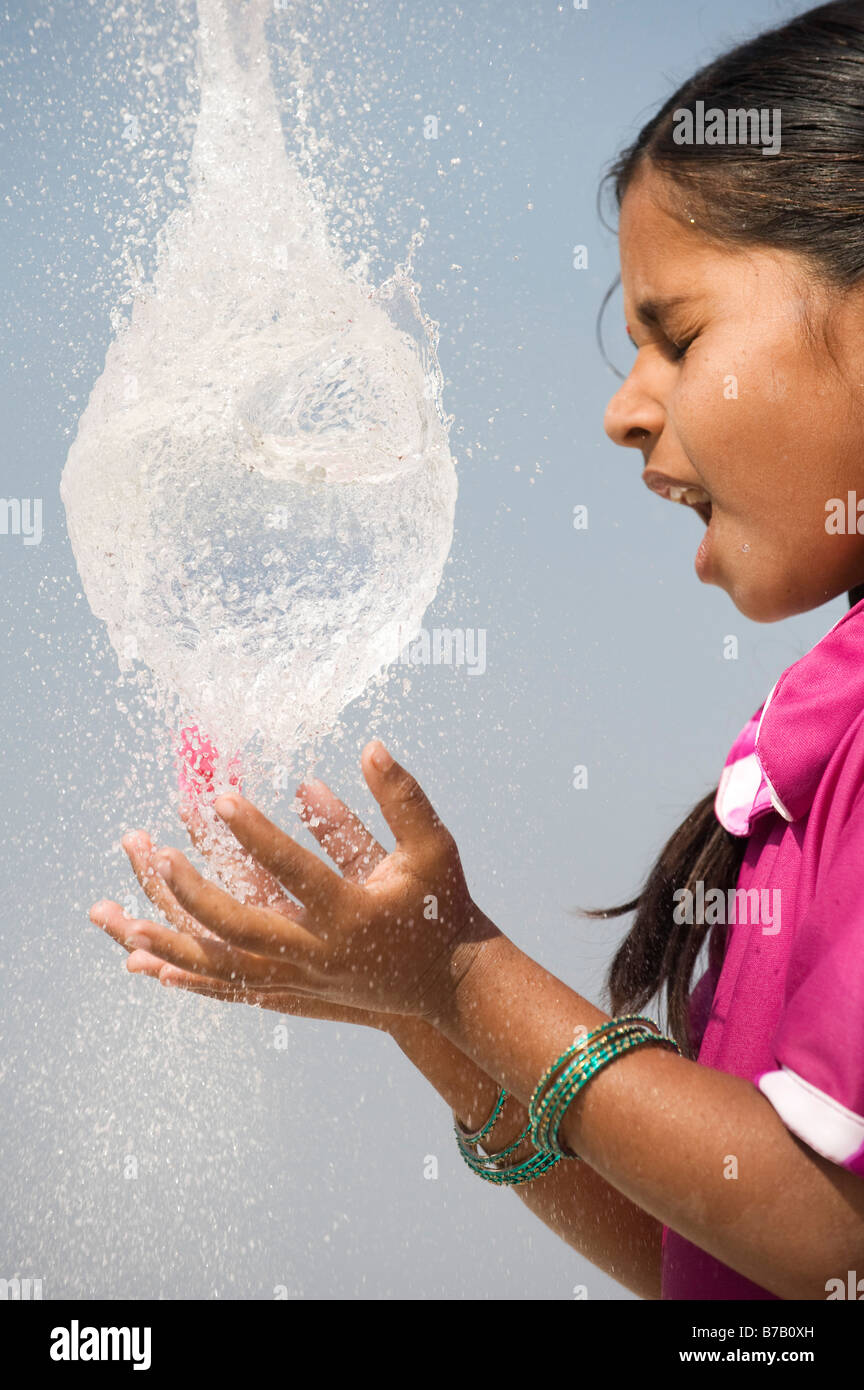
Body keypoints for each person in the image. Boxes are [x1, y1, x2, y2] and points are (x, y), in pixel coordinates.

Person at [90, 0, 864, 1299]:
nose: (625, 410)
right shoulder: (818, 724)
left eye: (678, 335)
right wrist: (420, 1012)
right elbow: (705, 1252)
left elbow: (829, 1233)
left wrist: (461, 971)